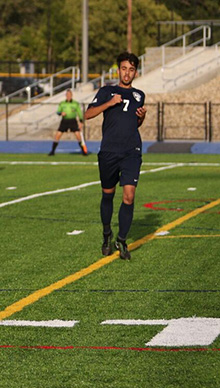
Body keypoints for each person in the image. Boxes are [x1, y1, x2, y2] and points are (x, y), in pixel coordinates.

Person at [84, 52, 146, 261]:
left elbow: (133, 123)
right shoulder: (106, 91)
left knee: (129, 196)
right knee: (108, 194)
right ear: (118, 70)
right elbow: (88, 114)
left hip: (131, 151)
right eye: (124, 68)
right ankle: (106, 233)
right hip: (109, 151)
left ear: (135, 72)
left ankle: (121, 239)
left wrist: (142, 118)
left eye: (131, 69)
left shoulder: (139, 95)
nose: (127, 73)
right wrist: (109, 103)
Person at [49, 89, 87, 156]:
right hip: (64, 121)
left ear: (71, 95)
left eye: (69, 94)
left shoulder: (75, 103)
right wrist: (61, 113)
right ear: (66, 95)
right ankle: (52, 151)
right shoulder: (62, 103)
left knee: (78, 136)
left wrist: (81, 122)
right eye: (67, 95)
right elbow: (58, 112)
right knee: (57, 135)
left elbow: (79, 113)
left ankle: (83, 151)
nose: (68, 96)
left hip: (73, 121)